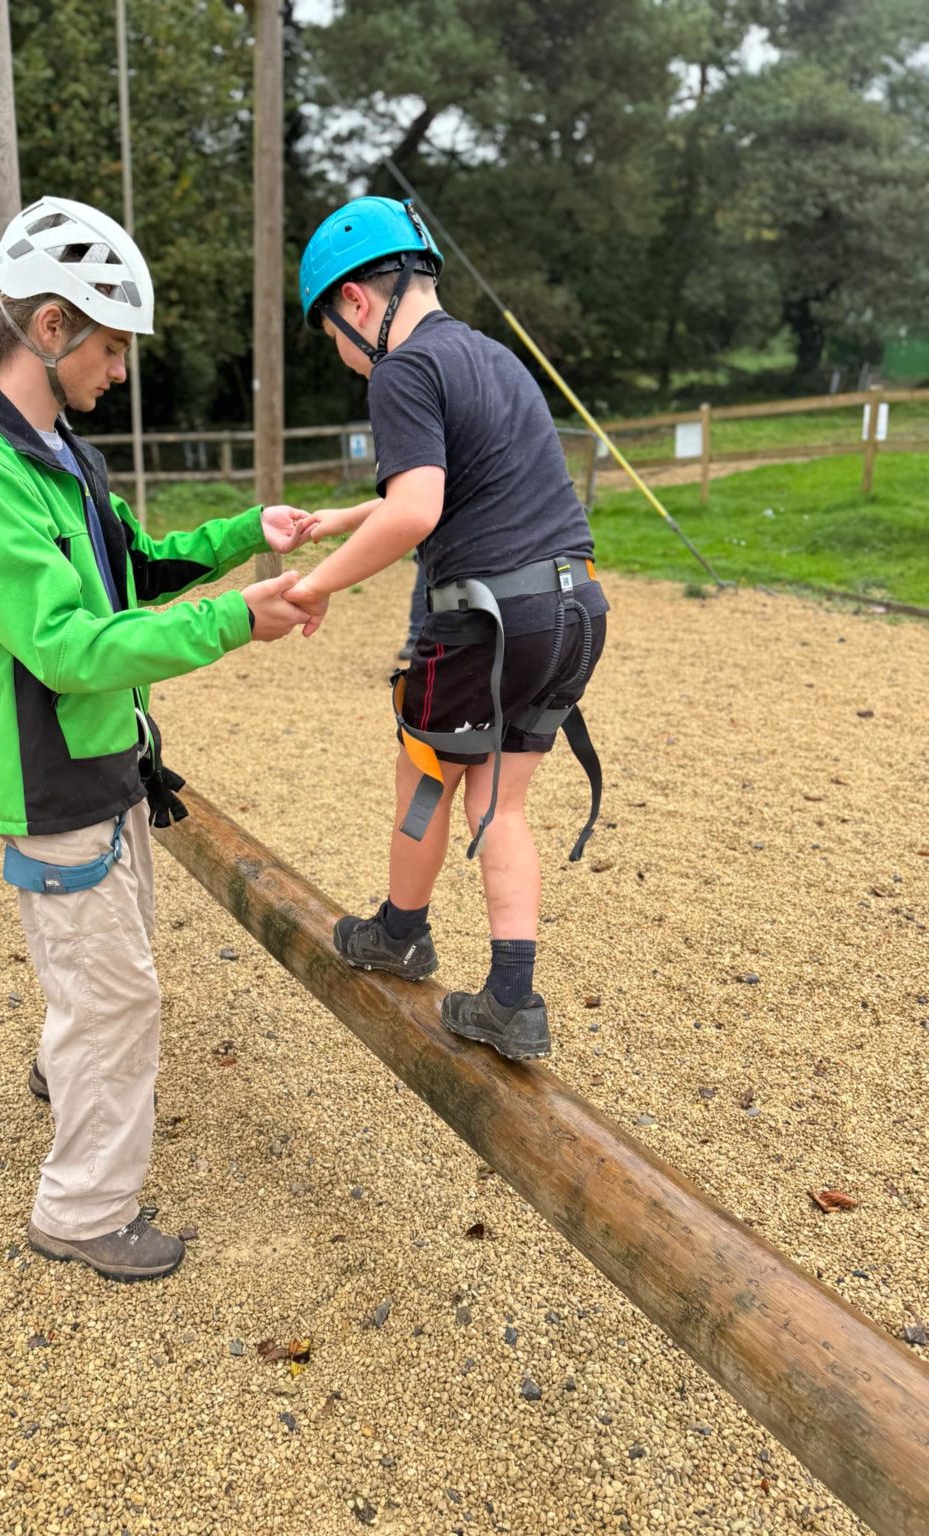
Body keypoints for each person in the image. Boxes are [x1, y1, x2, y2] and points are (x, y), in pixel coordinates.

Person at [0, 196, 315, 1280]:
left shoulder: (59, 456)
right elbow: (75, 650)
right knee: (118, 996)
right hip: (54, 783)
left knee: (103, 977)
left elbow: (132, 570)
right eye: (111, 346)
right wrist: (239, 620)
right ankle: (83, 1213)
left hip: (107, 767)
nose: (120, 369)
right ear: (51, 327)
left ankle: (73, 1069)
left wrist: (250, 536)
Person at [289, 195, 608, 1062]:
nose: (353, 365)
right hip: (575, 608)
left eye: (336, 341)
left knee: (424, 774)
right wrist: (342, 519)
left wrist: (314, 586)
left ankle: (400, 932)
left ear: (355, 302)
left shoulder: (400, 368)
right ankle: (513, 998)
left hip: (486, 621)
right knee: (501, 801)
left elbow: (417, 509)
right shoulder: (490, 357)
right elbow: (446, 481)